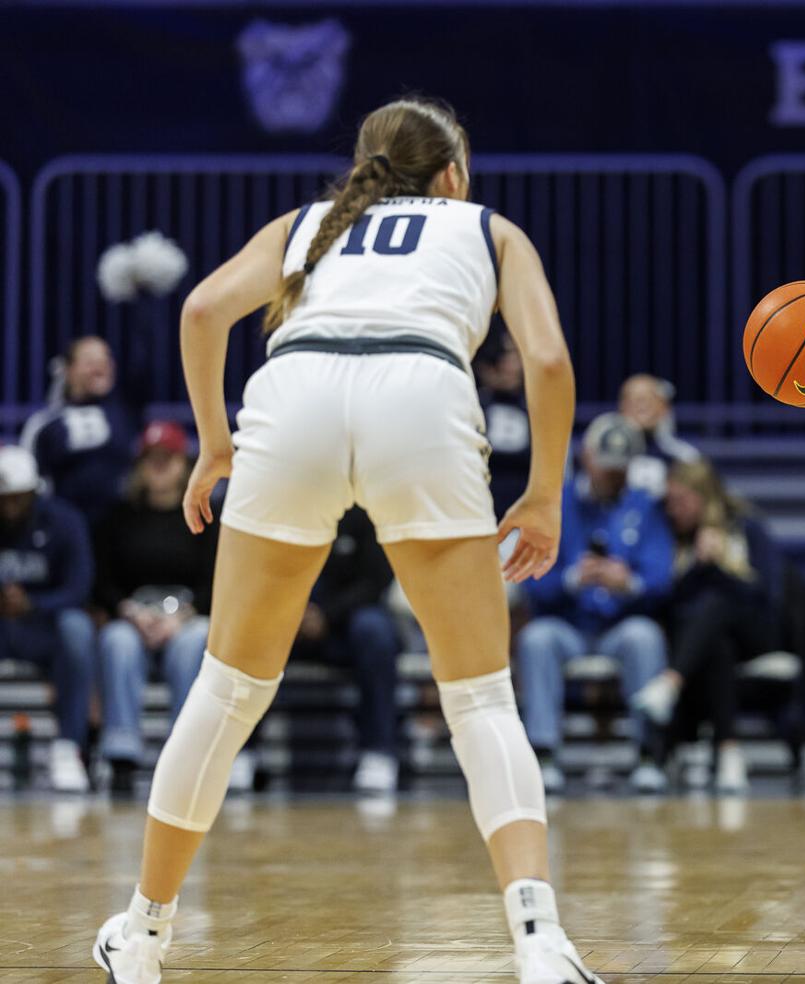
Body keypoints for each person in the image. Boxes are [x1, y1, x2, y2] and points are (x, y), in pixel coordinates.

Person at [93, 97, 605, 984]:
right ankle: (539, 942)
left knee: (227, 691)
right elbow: (551, 363)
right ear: (453, 175)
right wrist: (547, 494)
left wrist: (215, 443)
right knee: (481, 701)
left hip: (298, 390)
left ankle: (142, 936)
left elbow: (204, 310)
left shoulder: (305, 225)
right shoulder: (489, 228)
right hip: (422, 391)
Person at [516, 412, 673, 795]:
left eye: (621, 469)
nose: (613, 476)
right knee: (536, 638)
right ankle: (545, 753)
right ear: (587, 458)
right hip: (568, 624)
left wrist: (630, 583)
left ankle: (648, 754)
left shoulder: (646, 507)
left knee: (644, 636)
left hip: (619, 625)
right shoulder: (555, 504)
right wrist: (573, 578)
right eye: (606, 468)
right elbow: (530, 579)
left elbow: (662, 577)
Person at [631, 458, 783, 794]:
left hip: (755, 630)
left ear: (705, 498)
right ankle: (729, 753)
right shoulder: (666, 534)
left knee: (717, 604)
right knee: (717, 648)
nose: (672, 510)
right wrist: (697, 569)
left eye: (681, 501)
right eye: (669, 501)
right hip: (700, 644)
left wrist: (718, 568)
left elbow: (769, 595)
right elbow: (666, 601)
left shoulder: (746, 528)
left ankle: (669, 684)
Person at [94, 421, 215, 793]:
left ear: (186, 464)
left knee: (197, 640)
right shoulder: (119, 517)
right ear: (140, 466)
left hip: (187, 617)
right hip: (135, 619)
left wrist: (184, 615)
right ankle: (121, 753)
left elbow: (221, 579)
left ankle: (185, 752)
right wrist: (128, 610)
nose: (159, 467)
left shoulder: (211, 516)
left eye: (168, 459)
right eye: (152, 459)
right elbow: (102, 580)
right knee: (116, 641)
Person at [0, 444, 95, 793]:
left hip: (43, 627)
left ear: (33, 494)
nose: (9, 506)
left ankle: (68, 746)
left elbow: (79, 588)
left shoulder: (64, 521)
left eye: (17, 498)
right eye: (3, 498)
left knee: (77, 627)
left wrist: (33, 604)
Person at [289, 506, 402, 793]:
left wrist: (326, 614)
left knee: (375, 630)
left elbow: (376, 580)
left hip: (345, 622)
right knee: (253, 629)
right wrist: (293, 611)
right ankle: (241, 752)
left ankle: (379, 751)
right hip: (287, 618)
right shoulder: (284, 500)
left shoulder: (365, 512)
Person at [20, 336, 140, 526]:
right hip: (65, 526)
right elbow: (29, 479)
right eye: (90, 361)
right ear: (68, 369)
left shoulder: (127, 413)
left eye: (105, 360)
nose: (100, 367)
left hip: (120, 527)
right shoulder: (46, 424)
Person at [476, 334, 532, 520]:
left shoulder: (535, 408)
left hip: (523, 515)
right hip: (478, 512)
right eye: (507, 357)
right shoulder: (473, 405)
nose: (514, 366)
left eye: (517, 356)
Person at [619, 373, 700, 498]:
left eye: (649, 399)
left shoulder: (685, 457)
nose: (642, 406)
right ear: (622, 407)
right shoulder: (605, 454)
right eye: (634, 400)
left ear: (664, 407)